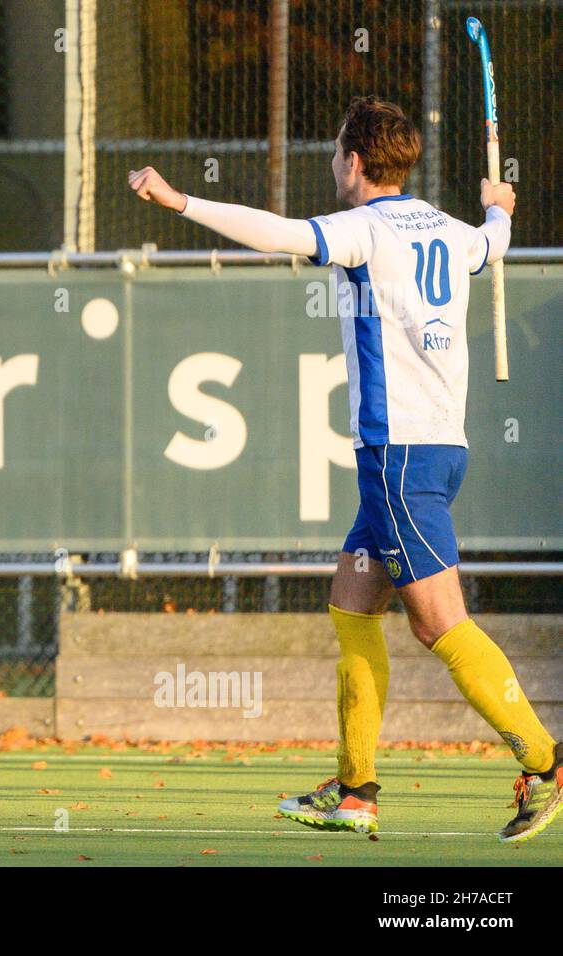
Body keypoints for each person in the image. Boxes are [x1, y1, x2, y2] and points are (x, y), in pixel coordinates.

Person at [128, 95, 560, 842]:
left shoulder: (363, 228)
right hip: (435, 451)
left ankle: (546, 763)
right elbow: (495, 242)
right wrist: (502, 208)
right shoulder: (451, 228)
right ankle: (356, 788)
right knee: (353, 605)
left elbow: (276, 234)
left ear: (355, 163)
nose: (332, 164)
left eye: (334, 154)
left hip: (397, 458)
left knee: (439, 626)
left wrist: (178, 199)